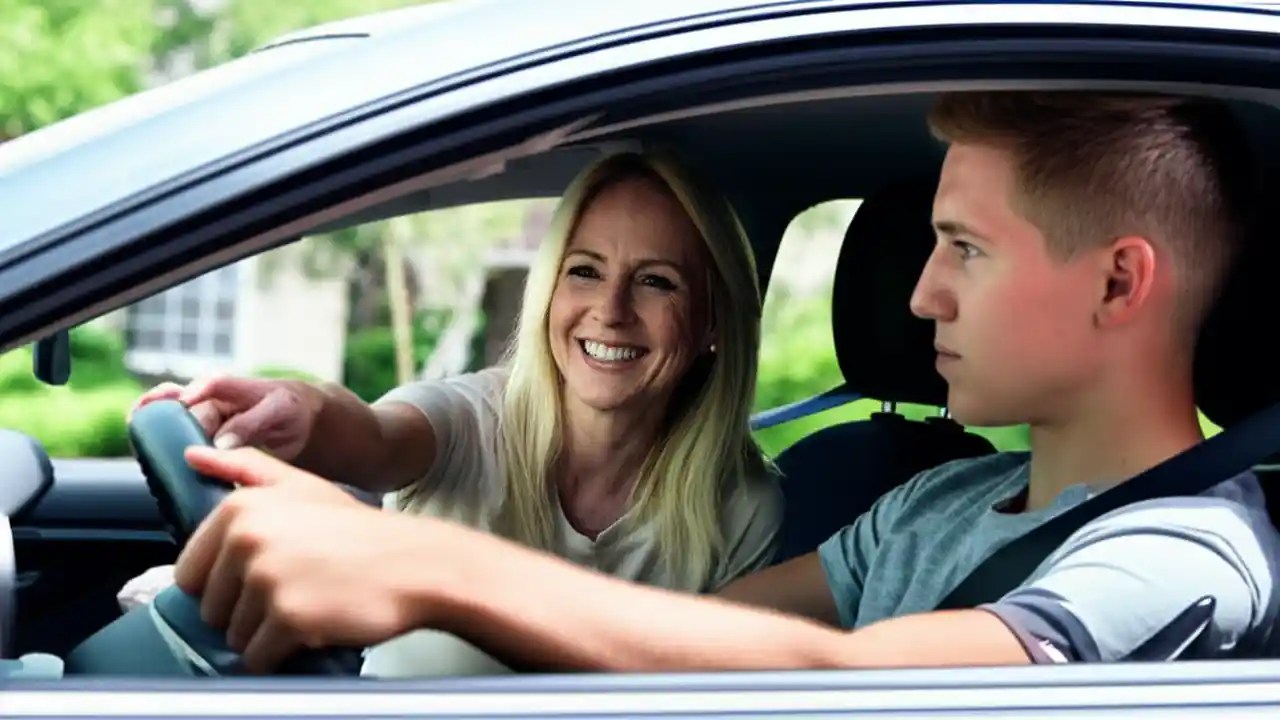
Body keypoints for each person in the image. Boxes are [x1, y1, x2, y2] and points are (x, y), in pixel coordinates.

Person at [167, 90, 1279, 674]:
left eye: (963, 250)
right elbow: (671, 636)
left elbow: (832, 677)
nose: (918, 296)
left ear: (1118, 282)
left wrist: (426, 564)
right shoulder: (929, 506)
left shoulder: (1185, 555)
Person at [123, 150, 784, 675]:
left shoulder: (744, 506)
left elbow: (712, 687)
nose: (610, 310)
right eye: (584, 271)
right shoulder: (477, 419)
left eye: (656, 281)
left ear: (711, 326)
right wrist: (302, 405)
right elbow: (378, 438)